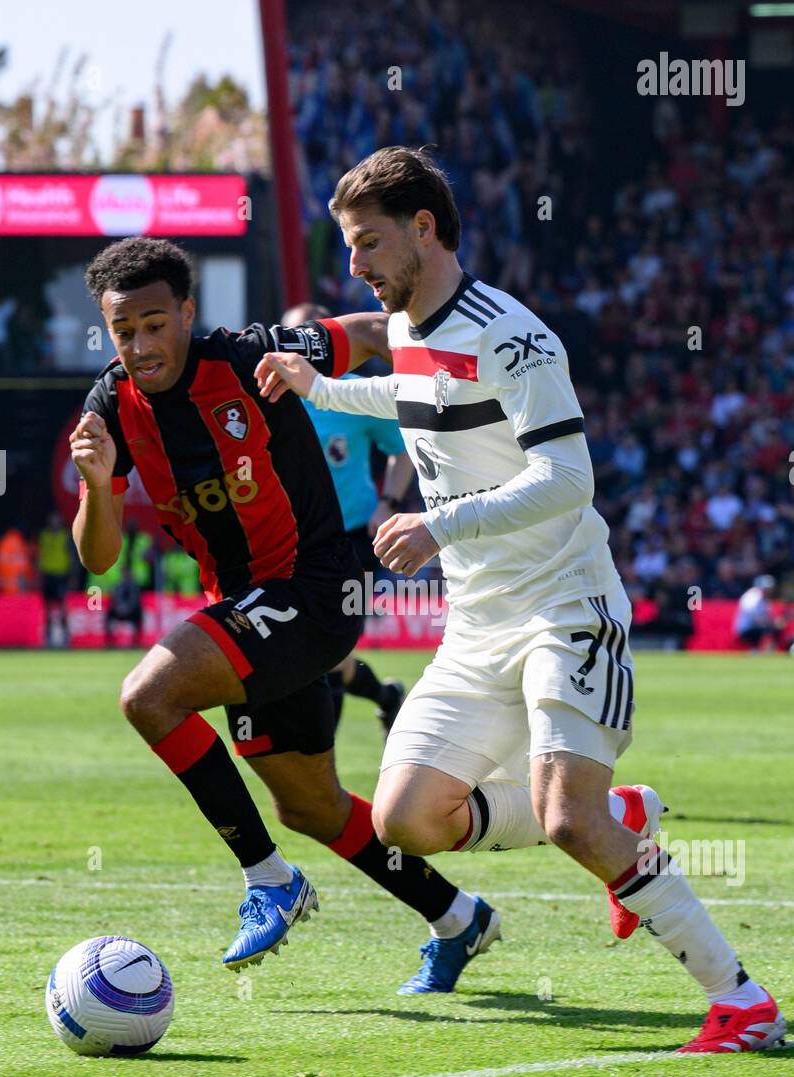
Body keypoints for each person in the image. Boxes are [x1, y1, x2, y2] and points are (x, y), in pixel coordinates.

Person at [256, 147, 781, 1049]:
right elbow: (418, 397)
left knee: (569, 820)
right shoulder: (415, 324)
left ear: (425, 229)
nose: (357, 266)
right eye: (349, 247)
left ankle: (741, 1000)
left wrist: (440, 524)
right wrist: (324, 385)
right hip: (477, 624)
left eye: (369, 243)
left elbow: (568, 477)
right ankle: (620, 817)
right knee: (406, 819)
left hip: (562, 606)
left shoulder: (513, 332)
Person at [69, 235, 493, 987]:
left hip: (314, 588)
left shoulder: (246, 357)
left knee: (148, 695)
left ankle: (268, 879)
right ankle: (459, 917)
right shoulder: (109, 405)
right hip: (245, 610)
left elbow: (362, 333)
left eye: (156, 323)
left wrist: (451, 366)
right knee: (312, 806)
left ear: (187, 313)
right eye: (123, 331)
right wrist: (100, 488)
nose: (141, 344)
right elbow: (96, 557)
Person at [281, 301, 410, 732]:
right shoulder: (268, 398)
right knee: (324, 652)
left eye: (309, 339)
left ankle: (321, 781)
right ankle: (386, 695)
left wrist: (387, 503)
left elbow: (401, 451)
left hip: (352, 539)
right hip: (290, 542)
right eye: (290, 339)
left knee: (325, 649)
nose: (298, 349)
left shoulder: (354, 392)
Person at [37, 512, 73, 646]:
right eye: (52, 520)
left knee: (62, 607)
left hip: (60, 575)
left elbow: (71, 557)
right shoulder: (44, 536)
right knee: (47, 609)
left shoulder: (65, 536)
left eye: (56, 520)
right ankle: (48, 638)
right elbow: (39, 556)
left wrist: (71, 577)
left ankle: (66, 637)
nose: (54, 523)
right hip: (47, 575)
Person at [733, 574, 785, 651]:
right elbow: (752, 615)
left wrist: (775, 622)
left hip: (757, 627)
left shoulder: (765, 599)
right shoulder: (751, 596)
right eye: (767, 588)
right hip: (746, 629)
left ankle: (771, 650)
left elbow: (768, 616)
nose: (769, 591)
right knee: (765, 630)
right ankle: (756, 649)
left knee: (777, 629)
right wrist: (770, 623)